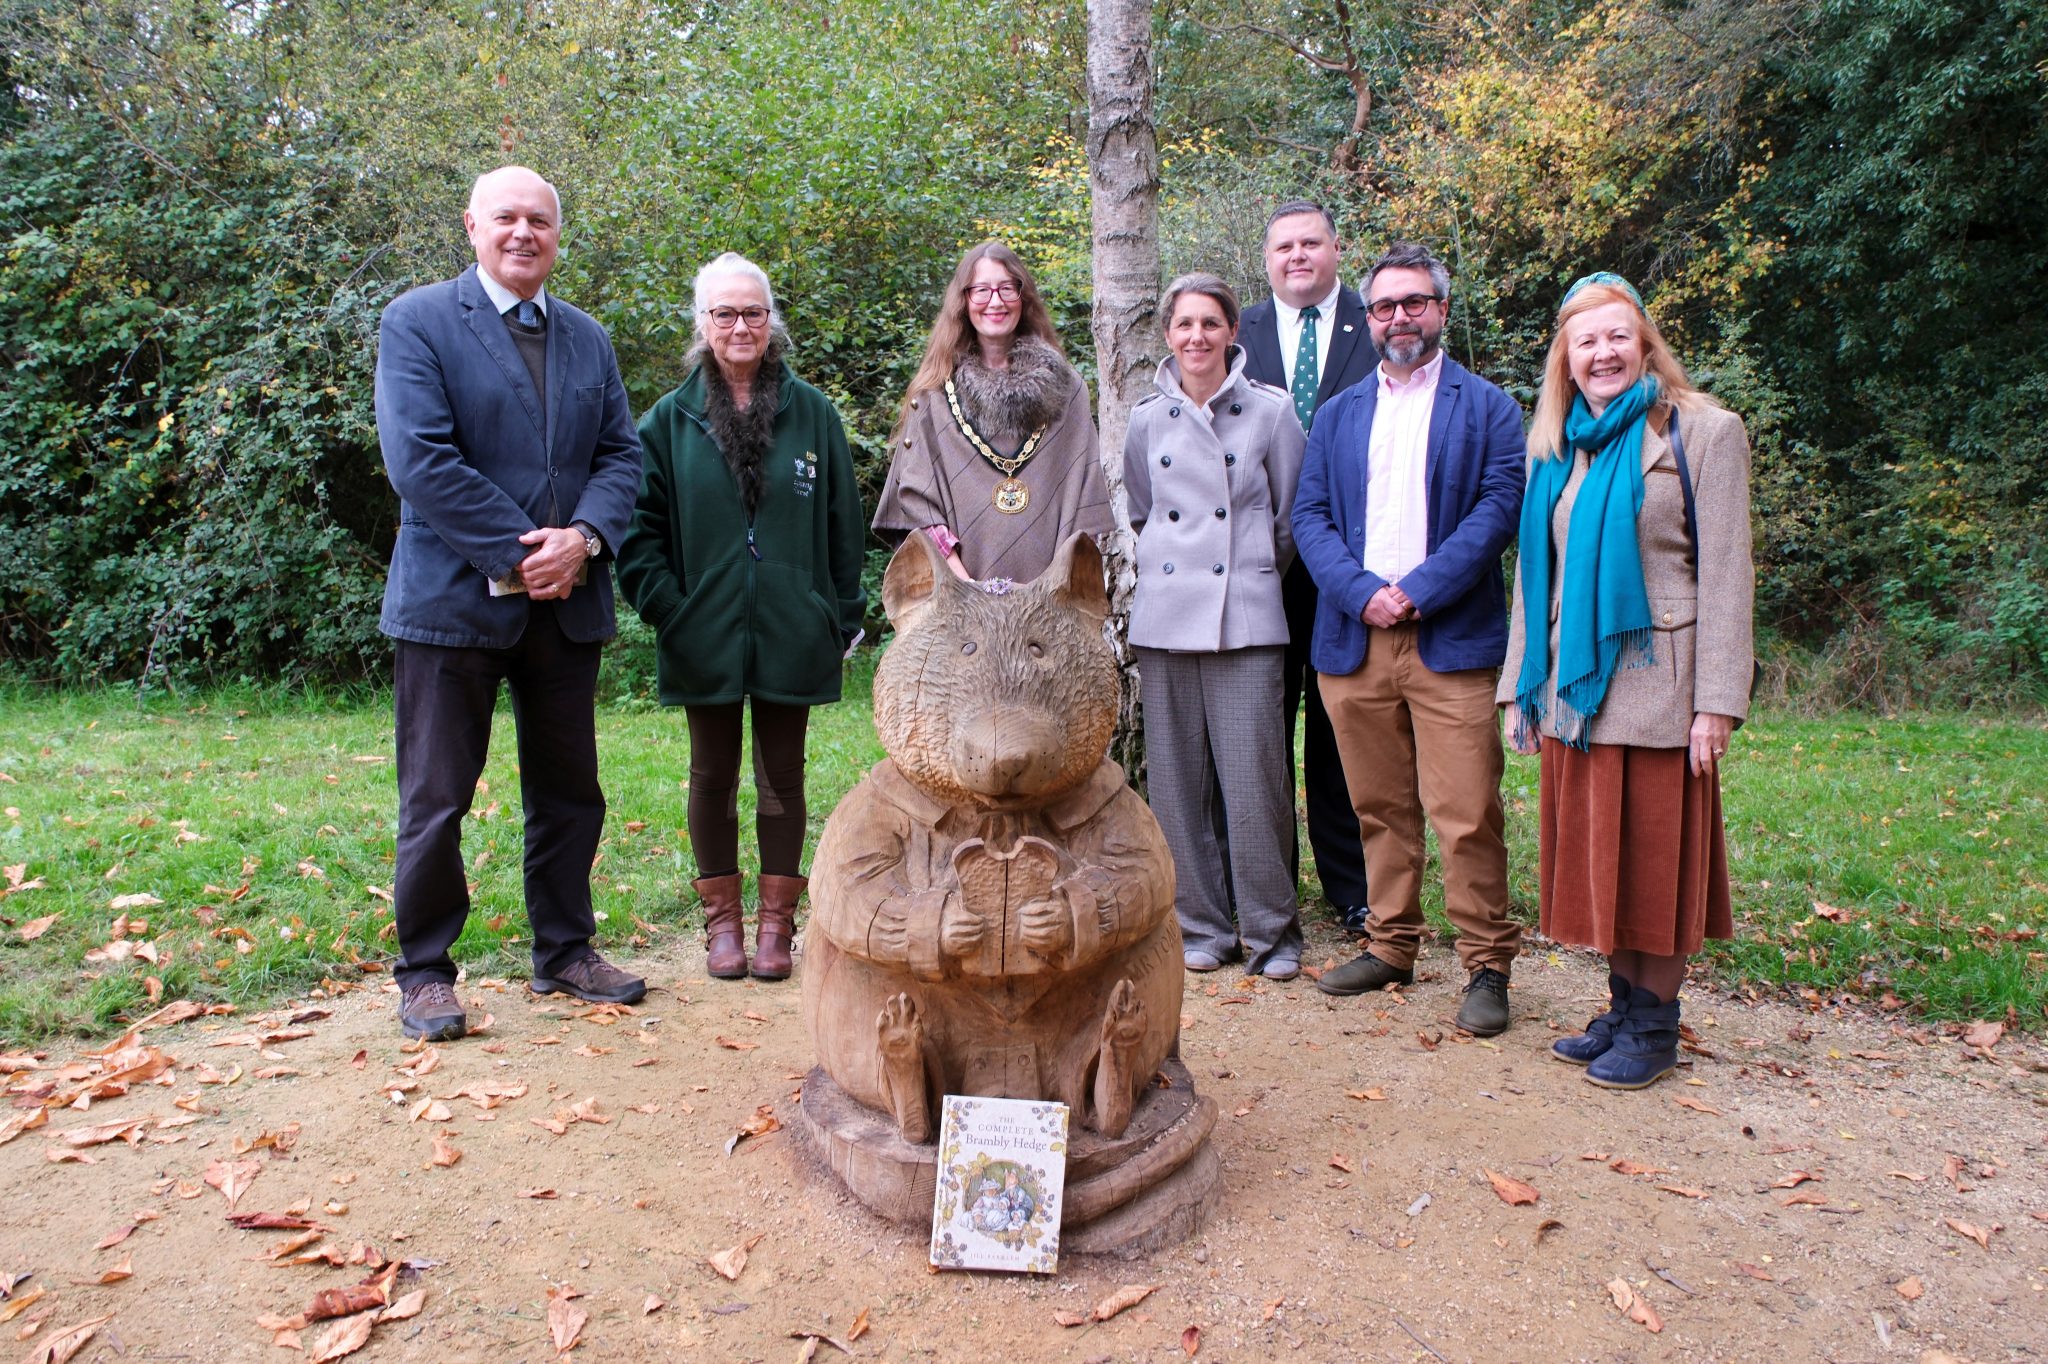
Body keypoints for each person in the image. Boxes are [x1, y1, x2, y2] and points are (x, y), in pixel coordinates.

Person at [375, 166, 646, 1041]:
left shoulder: (586, 339)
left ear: (557, 235)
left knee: (571, 793)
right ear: (472, 226)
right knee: (437, 798)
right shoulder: (417, 321)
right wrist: (525, 550)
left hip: (565, 602)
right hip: (453, 605)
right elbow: (421, 459)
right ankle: (423, 972)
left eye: (540, 220)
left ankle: (565, 951)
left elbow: (620, 459)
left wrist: (585, 540)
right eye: (506, 218)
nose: (523, 232)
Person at [1500, 272, 1754, 1089]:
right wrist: (1518, 688)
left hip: (1662, 689)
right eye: (1586, 341)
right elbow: (1532, 577)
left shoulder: (1705, 431)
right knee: (1605, 857)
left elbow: (1727, 576)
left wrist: (1718, 701)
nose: (1603, 352)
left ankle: (1654, 1024)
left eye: (1617, 336)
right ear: (1565, 359)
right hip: (1576, 689)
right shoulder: (1557, 445)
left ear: (1644, 341)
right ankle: (1623, 1003)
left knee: (1655, 858)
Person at [1293, 241, 1527, 1036]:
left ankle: (1486, 963)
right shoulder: (1338, 414)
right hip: (1354, 642)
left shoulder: (1489, 406)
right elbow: (1311, 516)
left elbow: (1497, 510)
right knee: (1378, 808)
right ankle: (1390, 944)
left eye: (1415, 302)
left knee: (1464, 811)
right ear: (1369, 317)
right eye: (1386, 305)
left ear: (1441, 310)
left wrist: (1417, 591)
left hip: (1450, 640)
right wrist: (1362, 594)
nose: (1401, 317)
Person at [616, 253, 866, 983]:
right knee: (711, 776)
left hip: (795, 627)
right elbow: (637, 531)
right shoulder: (668, 419)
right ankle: (721, 925)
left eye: (753, 312)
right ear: (702, 324)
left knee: (783, 776)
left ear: (771, 320)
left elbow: (843, 523)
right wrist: (671, 610)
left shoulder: (813, 412)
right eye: (724, 313)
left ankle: (775, 928)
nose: (740, 326)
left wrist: (838, 614)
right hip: (704, 632)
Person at [1125, 273, 1307, 978]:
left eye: (1210, 323)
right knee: (1176, 778)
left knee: (1255, 777)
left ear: (1234, 331)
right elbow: (1145, 511)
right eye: (1183, 324)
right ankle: (1200, 925)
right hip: (1166, 617)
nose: (1196, 336)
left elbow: (1289, 519)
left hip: (1247, 618)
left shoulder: (1271, 411)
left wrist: (1251, 575)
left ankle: (1272, 932)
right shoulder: (1147, 417)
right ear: (1167, 334)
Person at [1237, 201, 1375, 934]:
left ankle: (1352, 890)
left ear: (1335, 249)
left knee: (1338, 730)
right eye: (1284, 246)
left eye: (1311, 243)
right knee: (1260, 729)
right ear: (1267, 260)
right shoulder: (1240, 332)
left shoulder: (1377, 321)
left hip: (1353, 565)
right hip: (1259, 564)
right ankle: (1267, 887)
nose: (1298, 256)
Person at [872, 241, 1113, 585]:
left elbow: (1084, 508)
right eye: (981, 291)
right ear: (964, 301)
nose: (995, 302)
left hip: (1050, 601)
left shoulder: (1068, 390)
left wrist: (1048, 591)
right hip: (958, 600)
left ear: (1023, 297)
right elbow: (918, 509)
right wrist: (967, 589)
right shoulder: (933, 397)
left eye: (1006, 289)